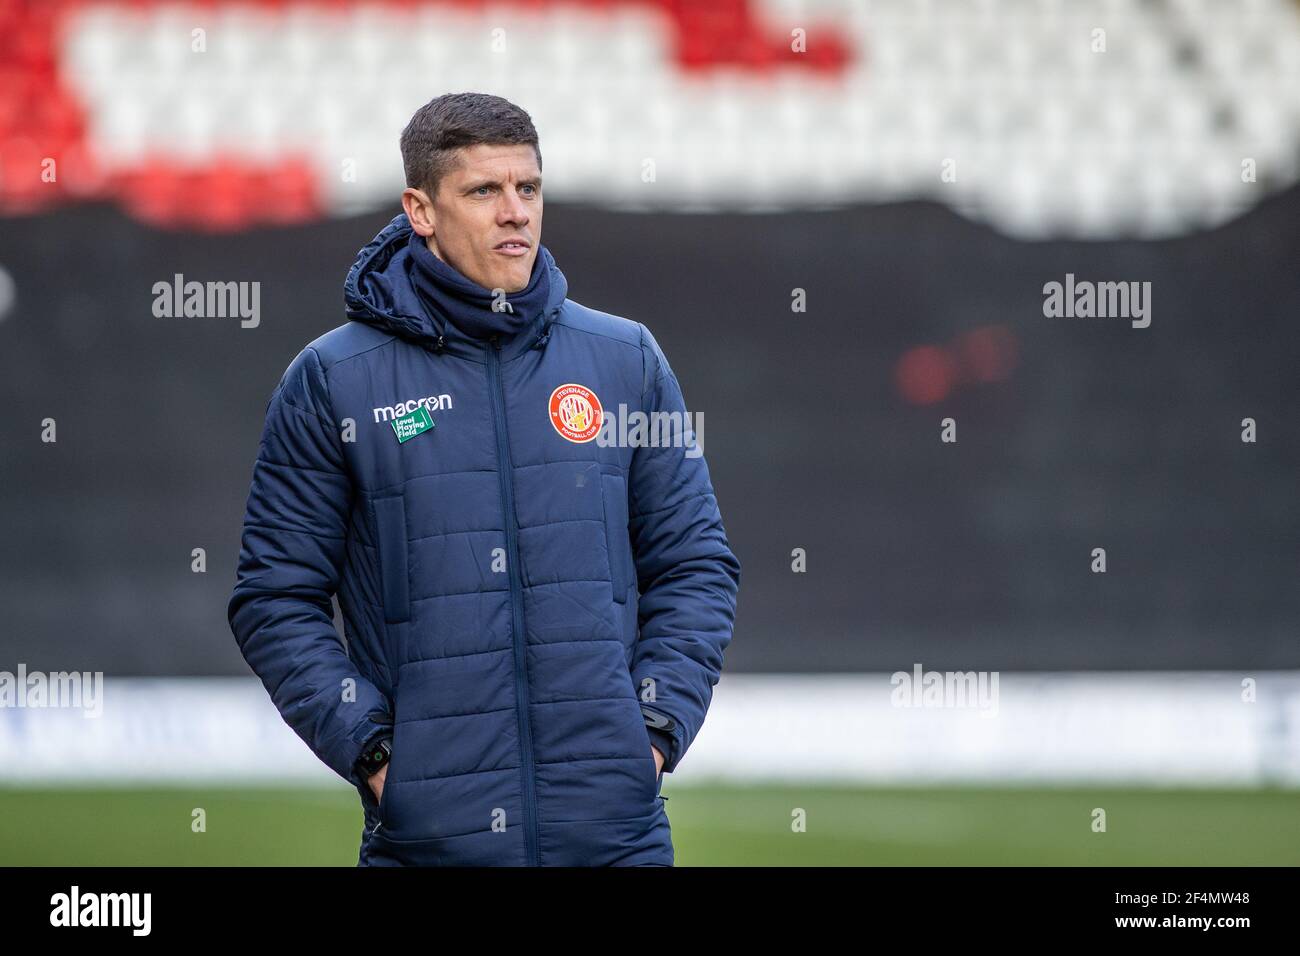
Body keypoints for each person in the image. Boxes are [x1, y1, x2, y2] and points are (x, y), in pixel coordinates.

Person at [227, 91, 741, 866]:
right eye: (484, 191)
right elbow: (274, 598)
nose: (515, 213)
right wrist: (376, 758)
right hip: (430, 844)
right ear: (420, 209)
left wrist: (653, 734)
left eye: (528, 189)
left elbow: (695, 566)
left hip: (616, 839)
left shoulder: (626, 360)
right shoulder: (333, 381)